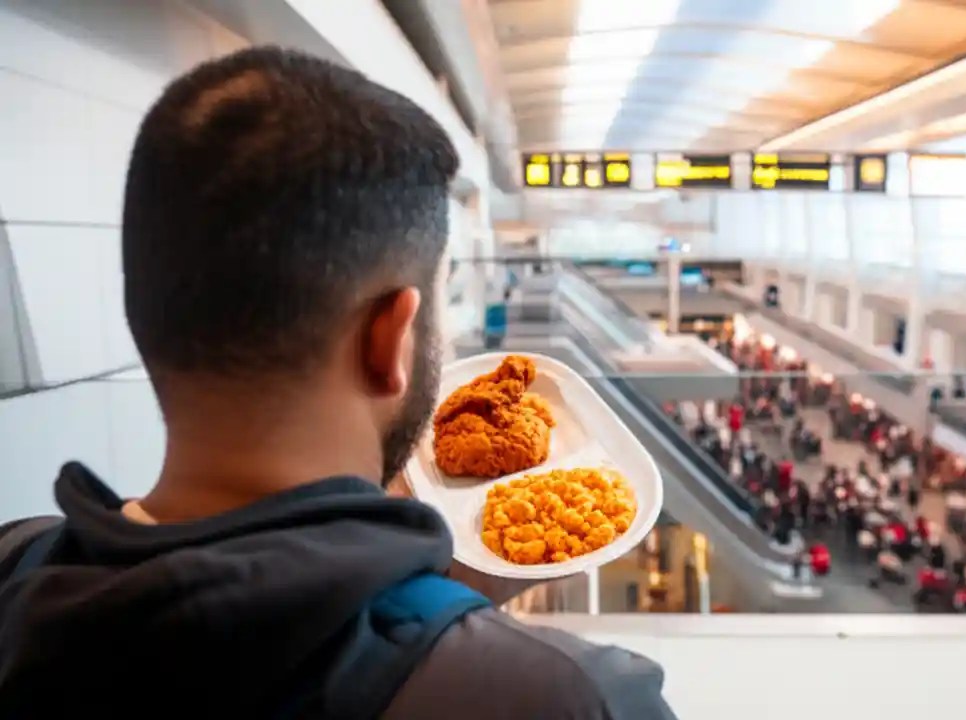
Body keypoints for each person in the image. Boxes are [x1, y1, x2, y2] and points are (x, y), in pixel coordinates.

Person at [0, 49, 674, 719]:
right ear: (391, 339)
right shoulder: (567, 700)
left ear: (144, 317)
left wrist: (427, 587)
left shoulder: (15, 568)